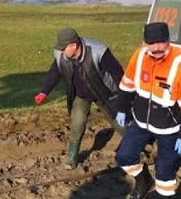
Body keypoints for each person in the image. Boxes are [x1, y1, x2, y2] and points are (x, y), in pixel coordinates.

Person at [114, 22, 181, 199]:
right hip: (142, 122)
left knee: (165, 169)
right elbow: (127, 84)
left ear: (168, 41)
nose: (156, 48)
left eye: (160, 43)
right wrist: (122, 109)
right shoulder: (139, 56)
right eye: (151, 43)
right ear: (145, 43)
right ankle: (143, 179)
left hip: (169, 127)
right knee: (123, 156)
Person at [34, 27, 125, 169]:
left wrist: (124, 98)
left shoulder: (98, 51)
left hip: (103, 92)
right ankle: (72, 158)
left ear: (73, 45)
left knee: (118, 122)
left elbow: (117, 73)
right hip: (81, 95)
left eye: (64, 48)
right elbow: (55, 71)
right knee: (77, 124)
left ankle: (138, 148)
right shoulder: (61, 54)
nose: (62, 52)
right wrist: (44, 92)